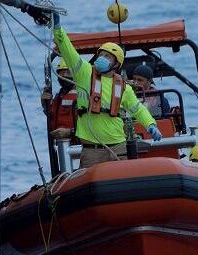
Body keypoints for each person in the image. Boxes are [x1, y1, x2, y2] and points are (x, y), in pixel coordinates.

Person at [51, 13, 162, 168]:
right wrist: (58, 29)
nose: (102, 58)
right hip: (92, 151)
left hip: (119, 147)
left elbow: (138, 109)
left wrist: (151, 125)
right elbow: (68, 50)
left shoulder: (124, 87)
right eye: (101, 54)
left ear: (116, 64)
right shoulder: (84, 73)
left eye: (108, 57)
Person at [41, 58, 78, 142]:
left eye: (68, 72)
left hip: (77, 144)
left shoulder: (82, 95)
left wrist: (70, 132)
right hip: (61, 143)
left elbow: (90, 125)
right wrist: (44, 104)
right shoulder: (59, 95)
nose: (64, 75)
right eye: (61, 73)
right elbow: (53, 116)